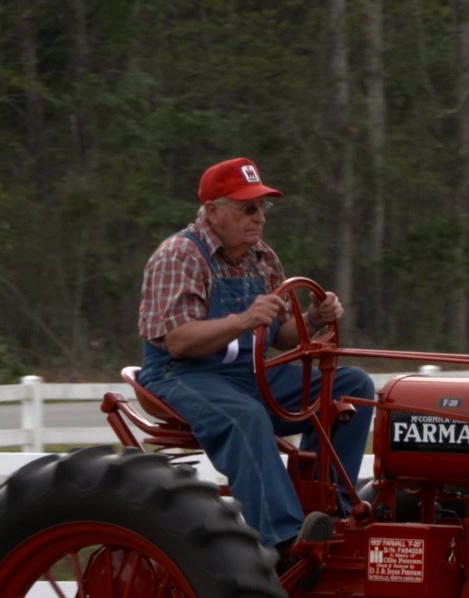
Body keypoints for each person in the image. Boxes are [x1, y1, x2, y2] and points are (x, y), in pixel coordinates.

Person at [136, 157, 375, 554]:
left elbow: (279, 338)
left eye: (263, 207)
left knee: (351, 386)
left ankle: (328, 513)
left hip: (249, 375)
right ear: (213, 211)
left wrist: (313, 319)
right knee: (244, 414)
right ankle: (284, 539)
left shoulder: (261, 259)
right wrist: (243, 319)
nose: (259, 218)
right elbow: (177, 340)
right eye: (248, 207)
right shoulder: (180, 255)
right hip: (183, 374)